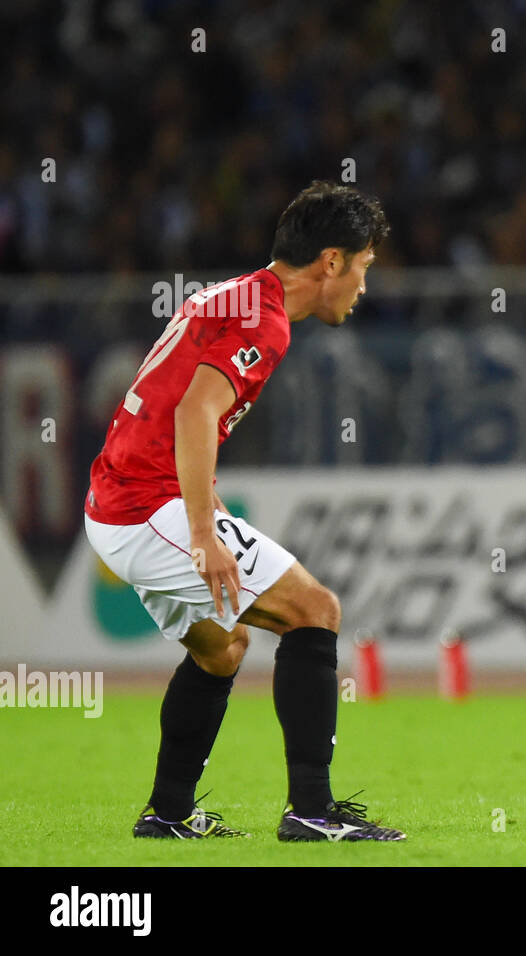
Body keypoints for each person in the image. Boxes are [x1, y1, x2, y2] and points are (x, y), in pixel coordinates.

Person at [84, 181, 405, 841]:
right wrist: (203, 531)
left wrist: (204, 505)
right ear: (332, 262)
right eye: (364, 267)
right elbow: (195, 411)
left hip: (120, 499)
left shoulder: (232, 296)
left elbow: (175, 401)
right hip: (146, 505)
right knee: (314, 611)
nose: (363, 286)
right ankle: (311, 812)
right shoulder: (265, 321)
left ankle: (167, 814)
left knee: (223, 649)